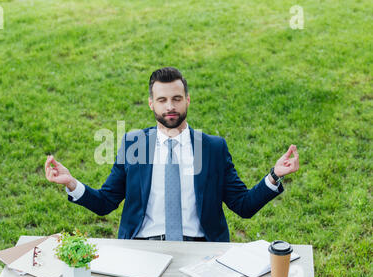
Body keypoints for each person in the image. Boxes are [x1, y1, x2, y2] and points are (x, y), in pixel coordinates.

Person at [45, 67, 299, 242]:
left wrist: (274, 176)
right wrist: (71, 183)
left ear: (187, 100)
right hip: (143, 246)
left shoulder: (213, 148)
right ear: (151, 103)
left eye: (176, 98)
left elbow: (242, 206)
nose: (170, 106)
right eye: (162, 99)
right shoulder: (134, 144)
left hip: (201, 248)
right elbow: (105, 202)